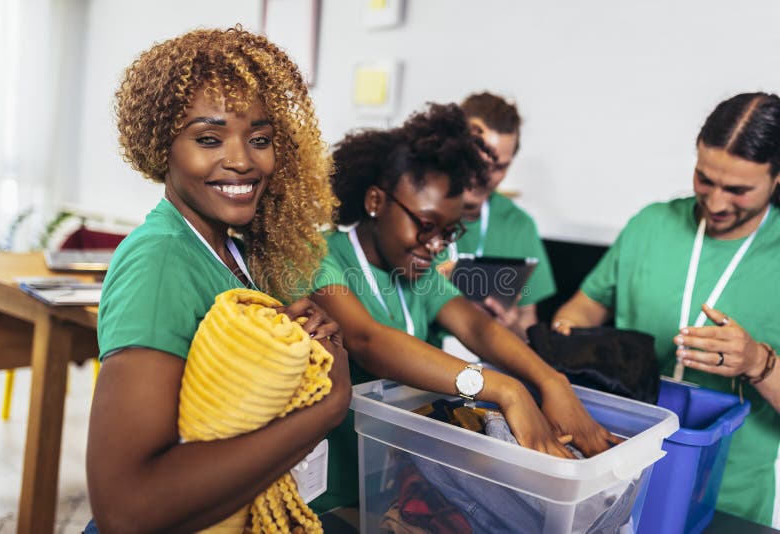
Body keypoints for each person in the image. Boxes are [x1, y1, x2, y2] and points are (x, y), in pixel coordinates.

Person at [84, 26, 351, 532]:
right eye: (208, 139)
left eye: (260, 140)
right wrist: (329, 405)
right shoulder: (159, 261)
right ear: (161, 146)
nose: (243, 161)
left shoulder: (232, 248)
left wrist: (295, 338)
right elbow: (126, 509)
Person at [308, 103, 620, 514]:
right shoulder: (320, 257)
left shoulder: (416, 271)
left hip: (393, 491)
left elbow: (478, 327)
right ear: (375, 201)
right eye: (425, 225)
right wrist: (505, 388)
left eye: (448, 232)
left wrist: (552, 381)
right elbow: (369, 341)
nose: (436, 245)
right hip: (329, 500)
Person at [552, 92, 780, 527]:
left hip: (726, 497)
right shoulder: (651, 225)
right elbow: (586, 305)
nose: (716, 203)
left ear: (776, 178)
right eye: (704, 179)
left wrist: (757, 362)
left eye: (738, 190)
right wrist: (567, 333)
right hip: (618, 474)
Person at [436, 92, 556, 340]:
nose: (484, 176)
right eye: (477, 161)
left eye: (499, 167)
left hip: (486, 357)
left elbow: (527, 324)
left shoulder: (518, 225)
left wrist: (510, 327)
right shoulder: (418, 210)